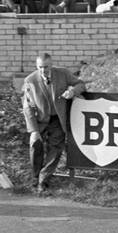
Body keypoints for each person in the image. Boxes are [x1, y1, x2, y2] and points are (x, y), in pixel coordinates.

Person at [22, 52, 86, 193]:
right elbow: (28, 107)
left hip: (57, 119)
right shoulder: (30, 81)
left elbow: (81, 84)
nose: (43, 70)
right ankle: (35, 176)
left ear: (51, 65)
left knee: (56, 149)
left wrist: (72, 92)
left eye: (46, 67)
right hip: (40, 119)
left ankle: (43, 180)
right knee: (35, 146)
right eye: (40, 67)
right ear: (36, 66)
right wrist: (33, 131)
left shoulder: (62, 74)